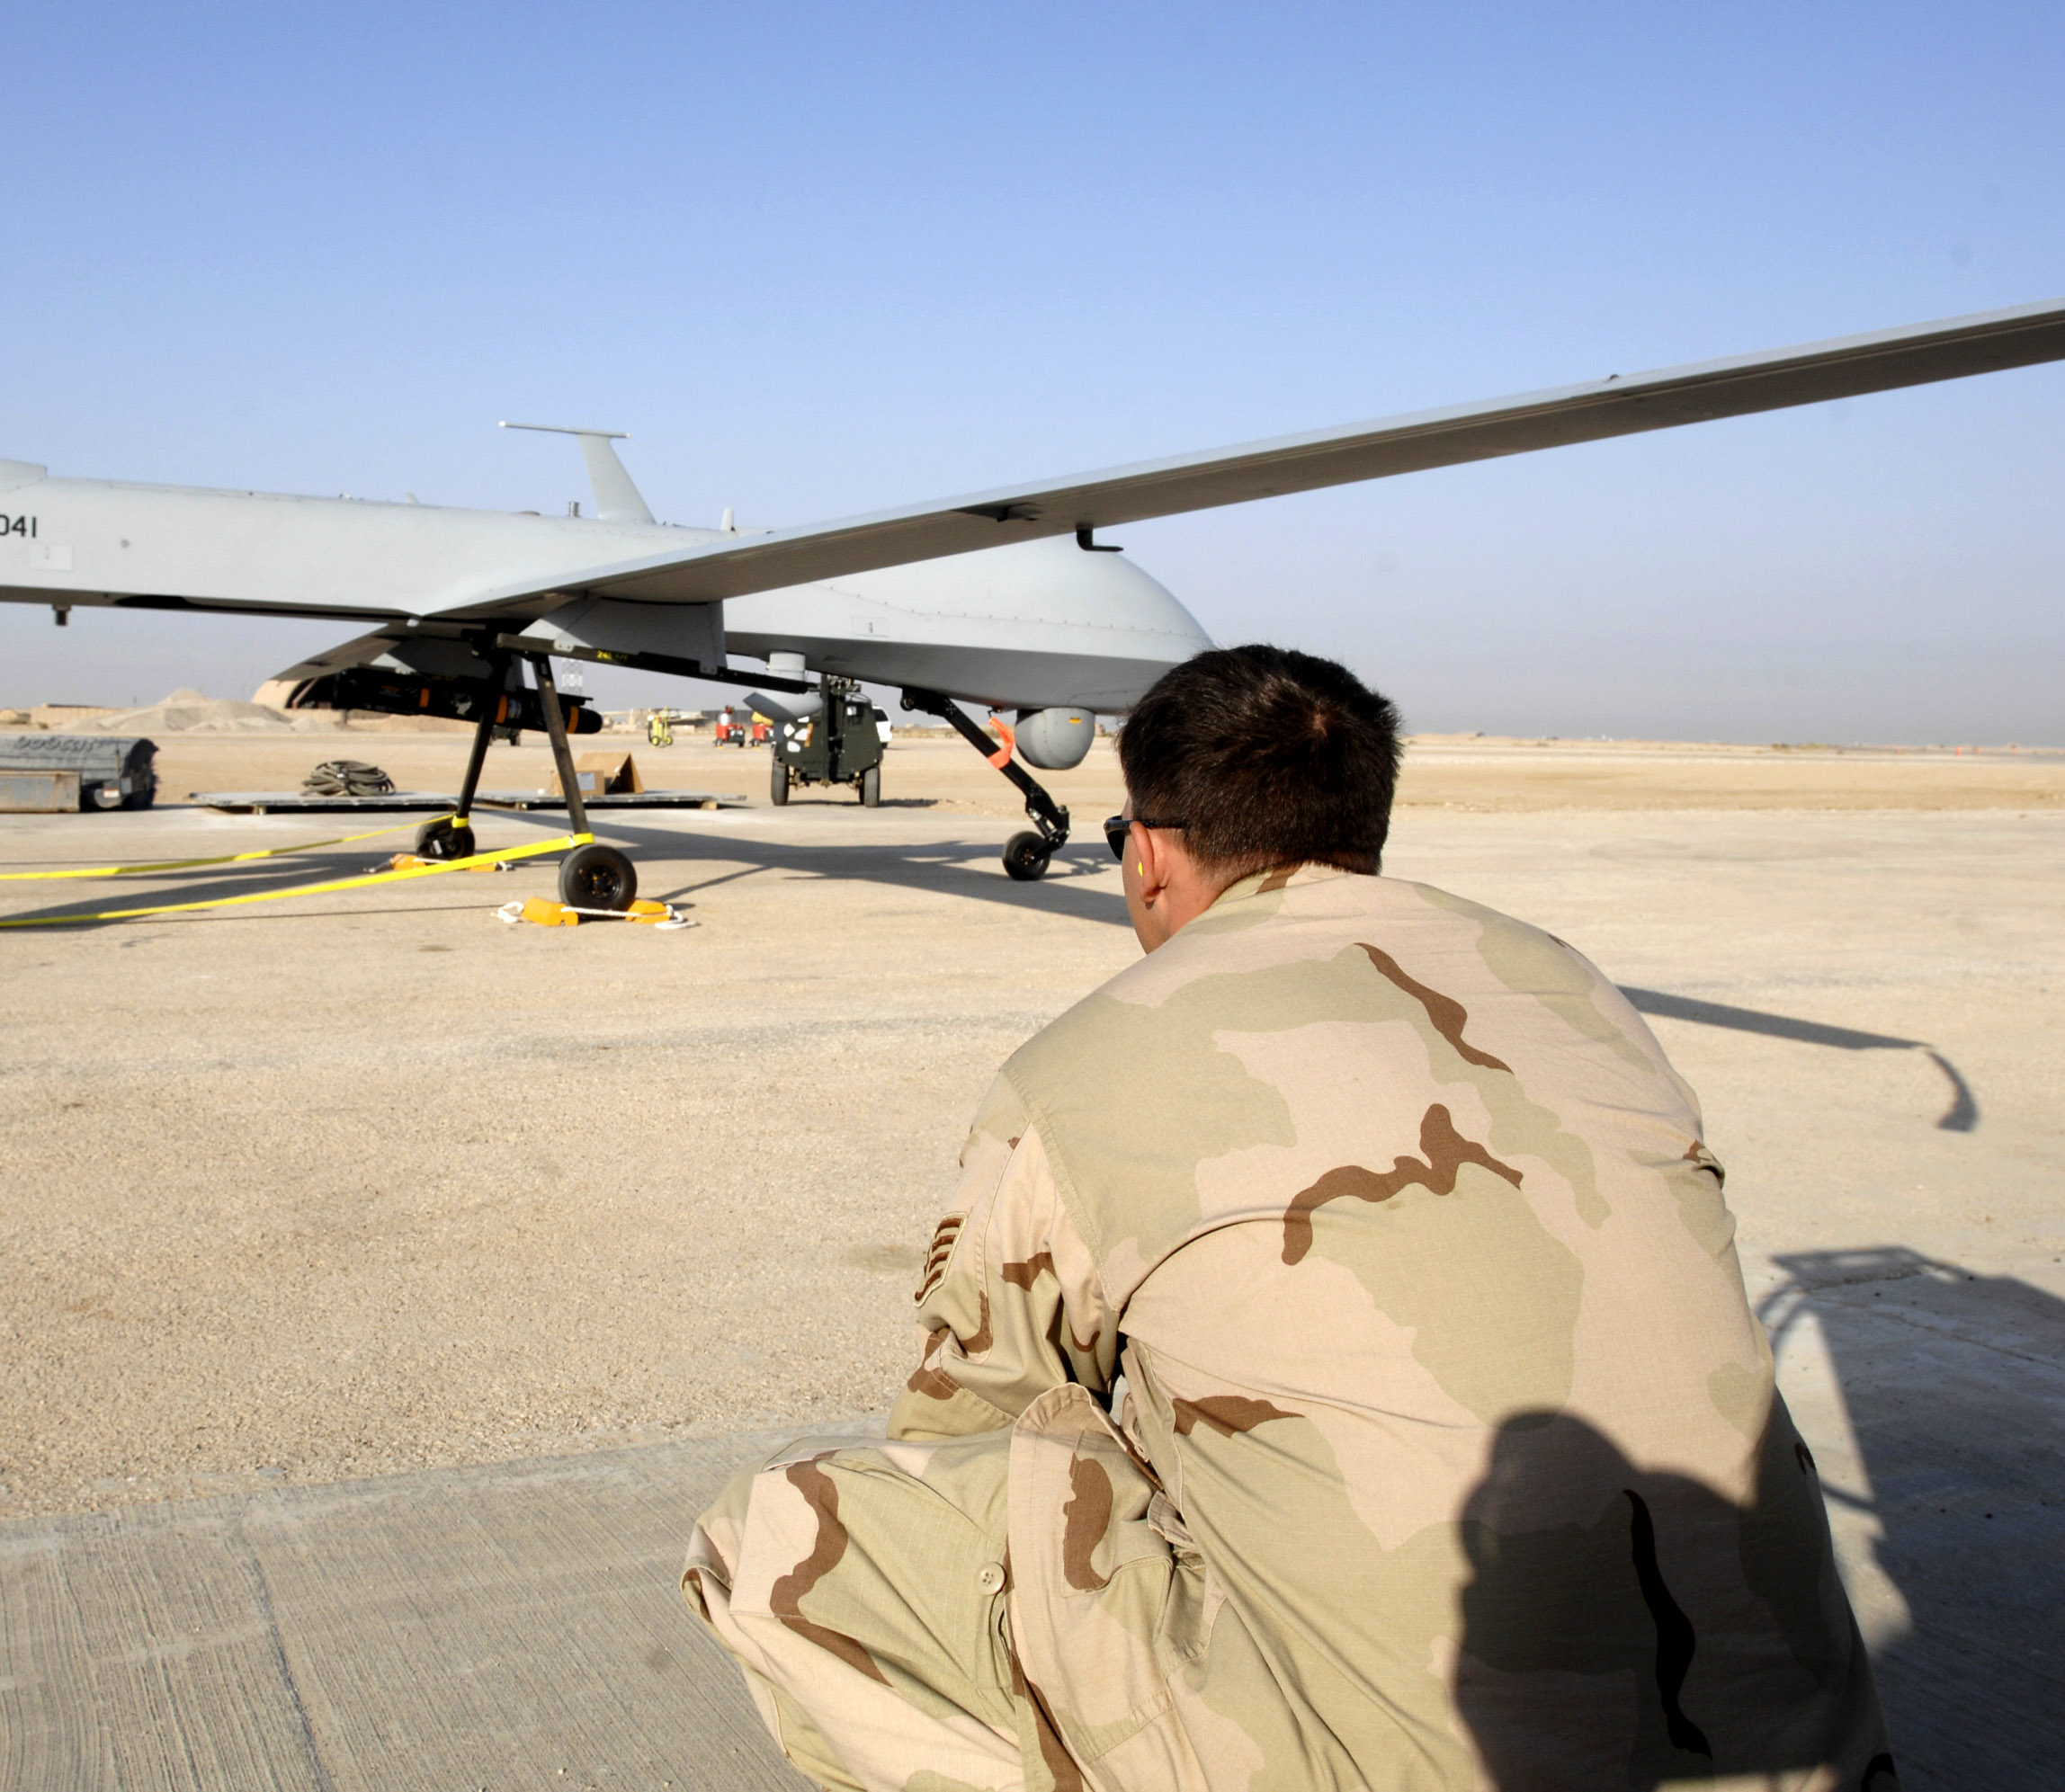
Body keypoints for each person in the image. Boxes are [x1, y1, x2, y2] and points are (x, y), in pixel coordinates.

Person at [683, 646, 1890, 1792]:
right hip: (1806, 1752)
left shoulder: (1090, 1064)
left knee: (775, 1535)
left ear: (1153, 854)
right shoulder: (1573, 985)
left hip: (1399, 1763)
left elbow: (968, 1425)